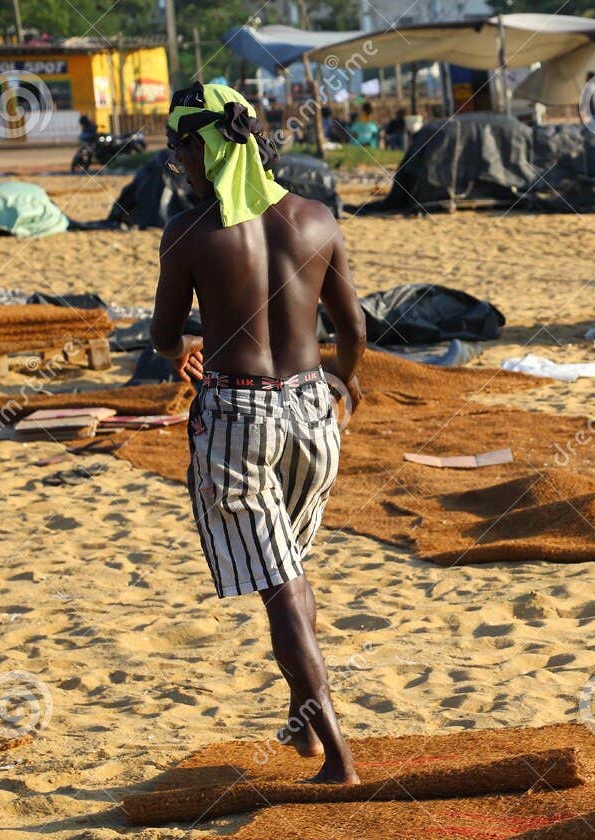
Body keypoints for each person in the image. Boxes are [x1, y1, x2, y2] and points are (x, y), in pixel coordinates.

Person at [150, 82, 366, 785]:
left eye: (181, 148)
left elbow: (160, 335)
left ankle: (336, 754)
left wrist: (183, 345)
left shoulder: (189, 233)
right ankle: (304, 721)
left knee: (279, 586)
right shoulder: (315, 218)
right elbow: (354, 329)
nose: (179, 163)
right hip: (312, 415)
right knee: (289, 574)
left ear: (200, 147)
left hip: (238, 420)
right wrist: (349, 384)